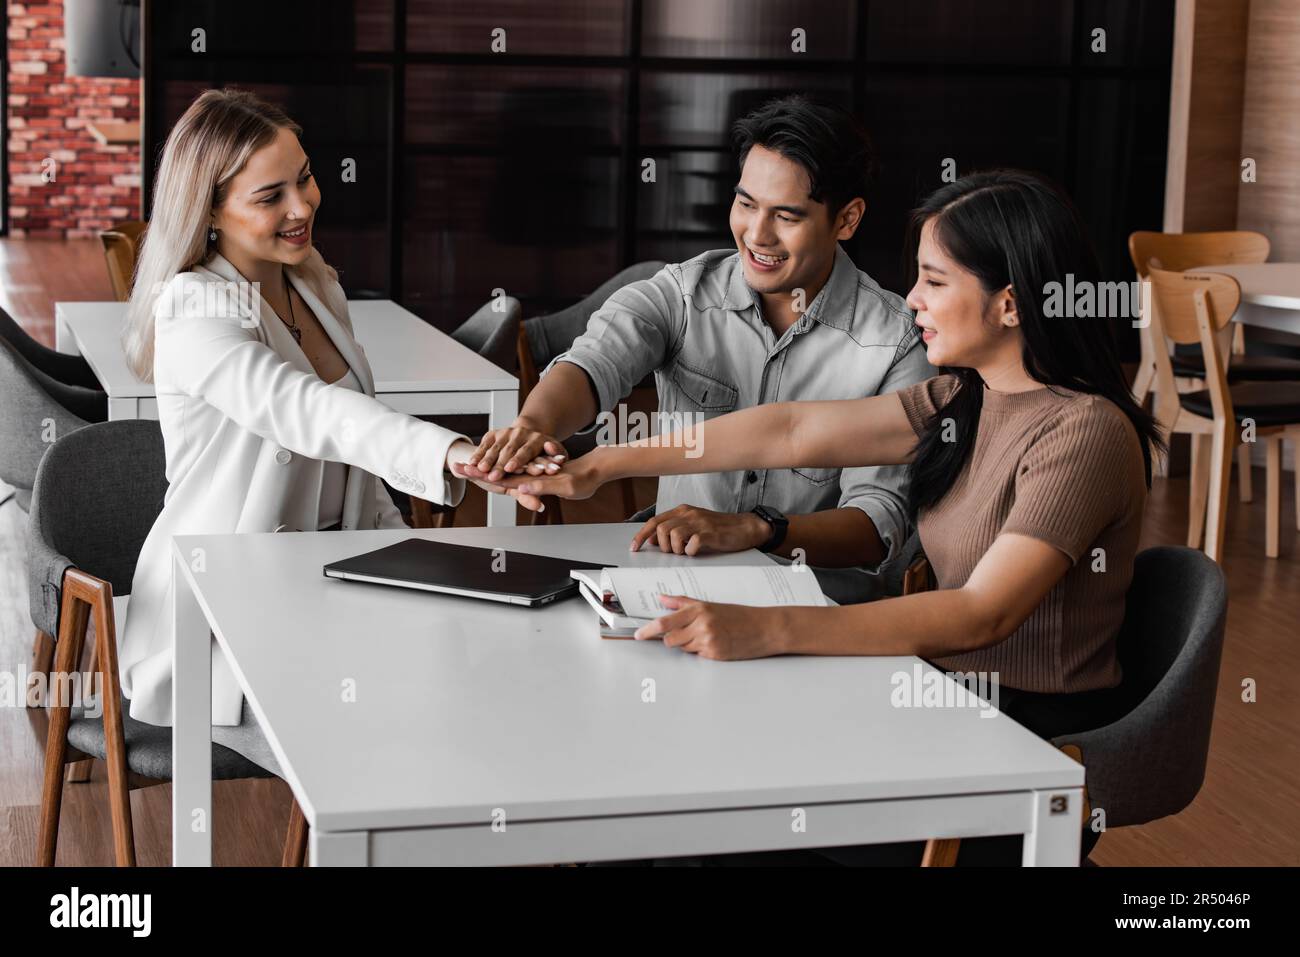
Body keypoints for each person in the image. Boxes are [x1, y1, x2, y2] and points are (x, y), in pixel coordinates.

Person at [471, 169, 1165, 864]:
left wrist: (767, 628)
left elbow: (982, 613)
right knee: (685, 764)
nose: (913, 300)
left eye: (934, 281)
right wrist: (600, 465)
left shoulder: (1083, 432)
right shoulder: (965, 396)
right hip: (937, 698)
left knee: (714, 807)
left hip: (1018, 746)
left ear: (1009, 304)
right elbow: (791, 430)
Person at [117, 89, 544, 773]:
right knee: (390, 740)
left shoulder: (313, 282)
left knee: (480, 683)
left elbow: (354, 475)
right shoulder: (194, 306)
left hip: (324, 593)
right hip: (225, 619)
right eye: (270, 196)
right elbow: (309, 412)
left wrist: (418, 564)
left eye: (306, 177)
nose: (303, 206)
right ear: (210, 213)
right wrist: (452, 451)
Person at [467, 95, 935, 604]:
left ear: (846, 220)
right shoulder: (684, 294)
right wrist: (534, 429)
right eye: (746, 203)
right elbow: (593, 362)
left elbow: (875, 523)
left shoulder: (896, 343)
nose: (756, 234)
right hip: (671, 588)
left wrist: (759, 529)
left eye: (786, 216)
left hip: (817, 607)